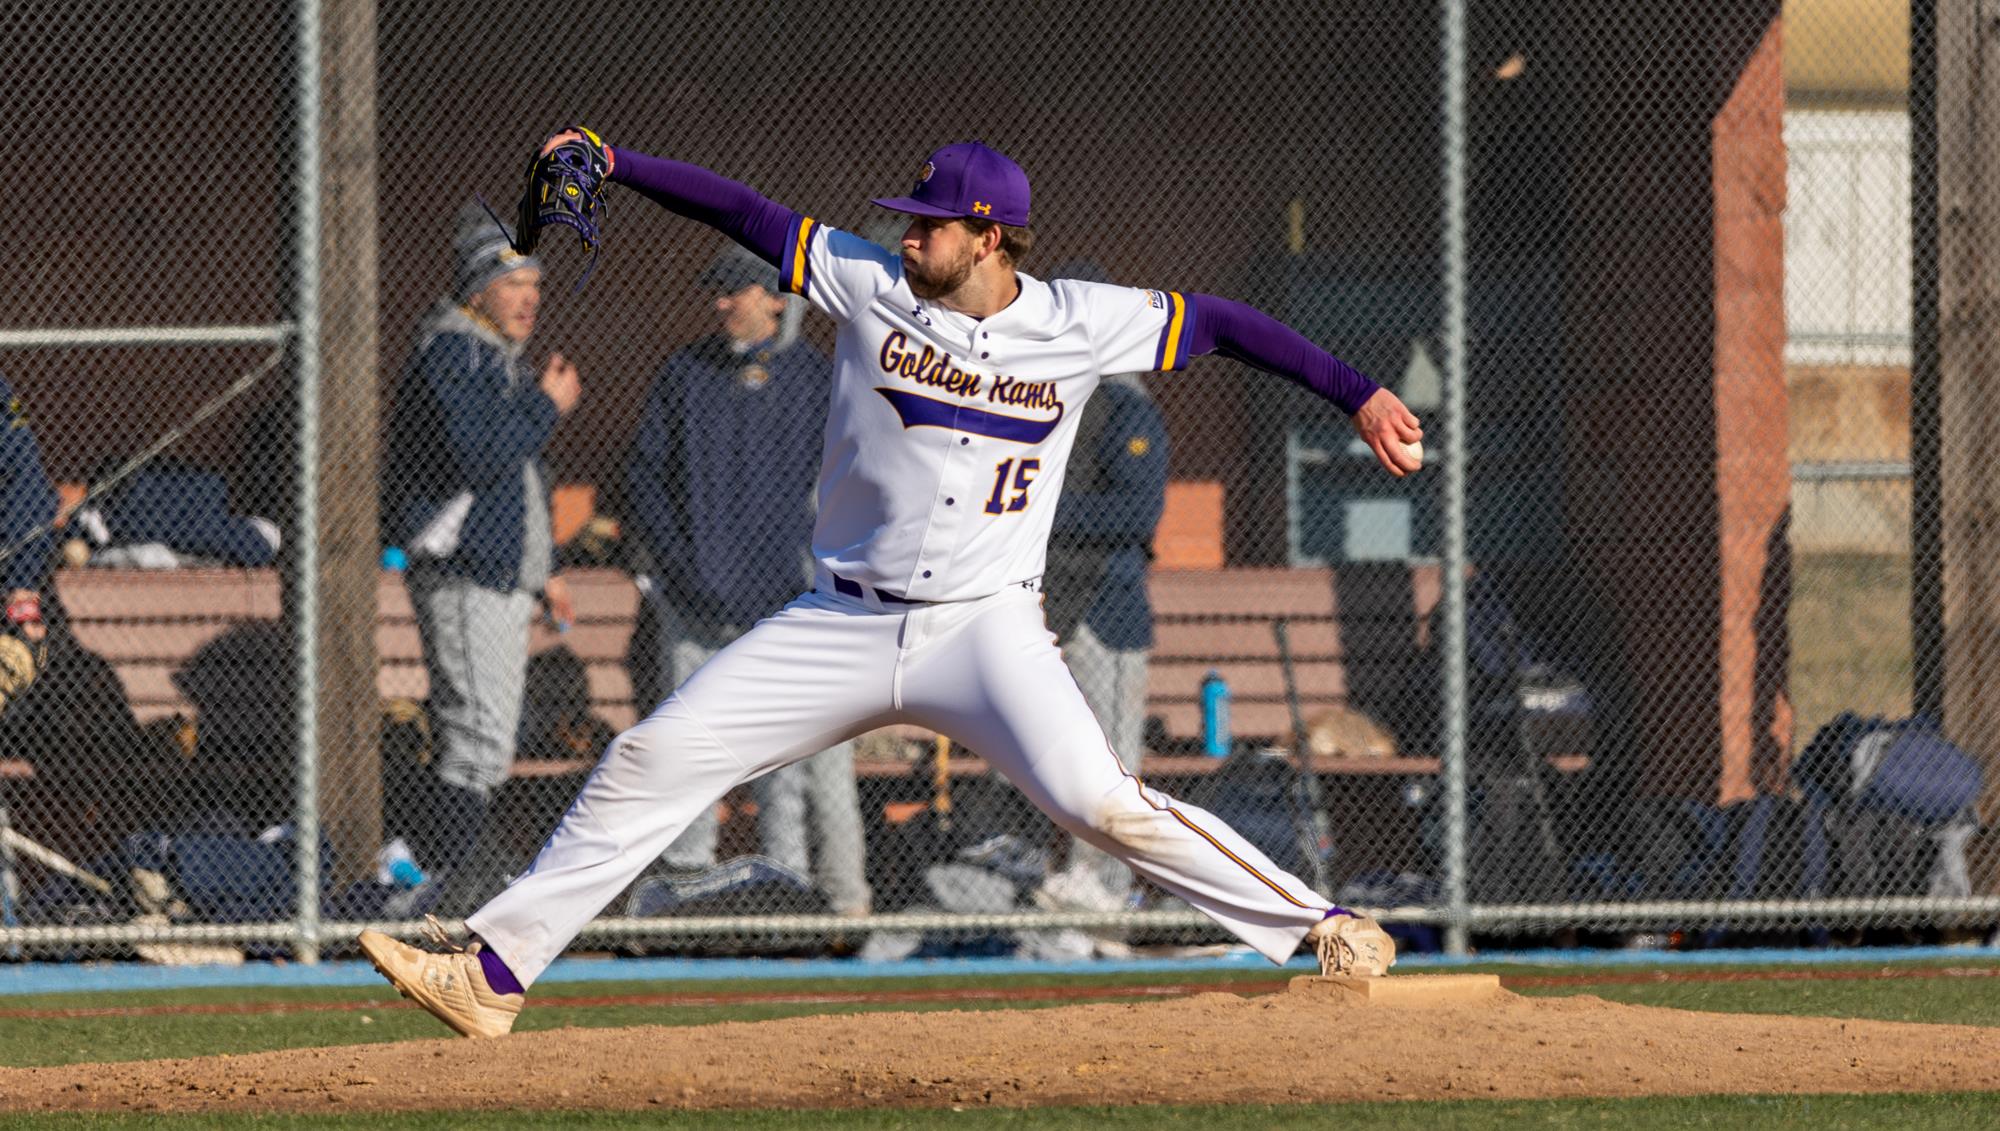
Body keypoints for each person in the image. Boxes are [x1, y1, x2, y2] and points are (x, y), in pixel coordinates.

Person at [362, 135, 1421, 1037]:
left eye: (929, 225)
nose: (907, 237)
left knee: (1102, 802)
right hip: (842, 623)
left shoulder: (1080, 320)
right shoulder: (866, 281)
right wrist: (619, 163)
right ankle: (492, 973)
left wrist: (1360, 394)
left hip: (986, 632)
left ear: (989, 237)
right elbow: (744, 211)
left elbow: (1229, 322)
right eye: (908, 222)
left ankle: (1323, 927)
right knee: (652, 755)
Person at [625, 243, 871, 915]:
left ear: (773, 297)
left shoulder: (818, 379)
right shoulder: (686, 373)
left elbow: (854, 489)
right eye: (719, 290)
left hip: (788, 609)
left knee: (789, 767)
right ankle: (684, 897)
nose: (721, 302)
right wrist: (677, 568)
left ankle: (800, 900)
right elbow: (644, 480)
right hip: (696, 605)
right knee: (690, 751)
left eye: (736, 289)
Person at [380, 202, 582, 905]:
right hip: (465, 571)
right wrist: (546, 406)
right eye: (511, 282)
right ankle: (448, 885)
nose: (528, 298)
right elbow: (477, 455)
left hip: (502, 572)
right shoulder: (453, 351)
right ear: (476, 288)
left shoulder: (494, 357)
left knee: (487, 741)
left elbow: (520, 478)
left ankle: (449, 878)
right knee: (476, 738)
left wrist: (546, 569)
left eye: (534, 283)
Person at [1031, 261, 1171, 932]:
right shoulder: (1046, 401)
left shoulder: (1127, 407)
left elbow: (1136, 514)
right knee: (1056, 755)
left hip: (1106, 613)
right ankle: (1065, 881)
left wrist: (1040, 508)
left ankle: (1107, 892)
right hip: (1047, 608)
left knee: (1111, 758)